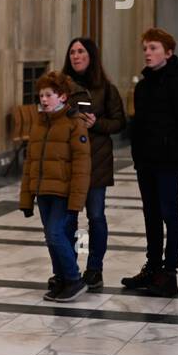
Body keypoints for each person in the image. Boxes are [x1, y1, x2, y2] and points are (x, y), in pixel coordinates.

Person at [122, 27, 178, 297]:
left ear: (168, 52)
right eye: (145, 48)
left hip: (168, 162)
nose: (147, 53)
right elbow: (137, 124)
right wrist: (137, 154)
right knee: (151, 215)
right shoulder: (143, 87)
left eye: (153, 48)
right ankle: (153, 267)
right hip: (146, 162)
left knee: (170, 214)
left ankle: (169, 274)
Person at [19, 70, 92, 302]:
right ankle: (60, 277)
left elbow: (82, 166)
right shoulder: (39, 124)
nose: (43, 99)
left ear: (62, 97)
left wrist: (76, 201)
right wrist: (26, 198)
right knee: (51, 236)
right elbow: (30, 163)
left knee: (55, 233)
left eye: (48, 95)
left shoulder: (74, 124)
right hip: (43, 192)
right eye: (41, 95)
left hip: (63, 193)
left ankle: (74, 279)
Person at [62, 37, 126, 293]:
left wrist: (95, 123)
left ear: (91, 56)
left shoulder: (107, 89)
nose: (76, 56)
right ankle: (70, 268)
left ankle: (94, 268)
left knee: (96, 217)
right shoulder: (62, 86)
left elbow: (119, 122)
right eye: (72, 52)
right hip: (70, 162)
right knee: (69, 220)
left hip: (97, 161)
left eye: (81, 52)